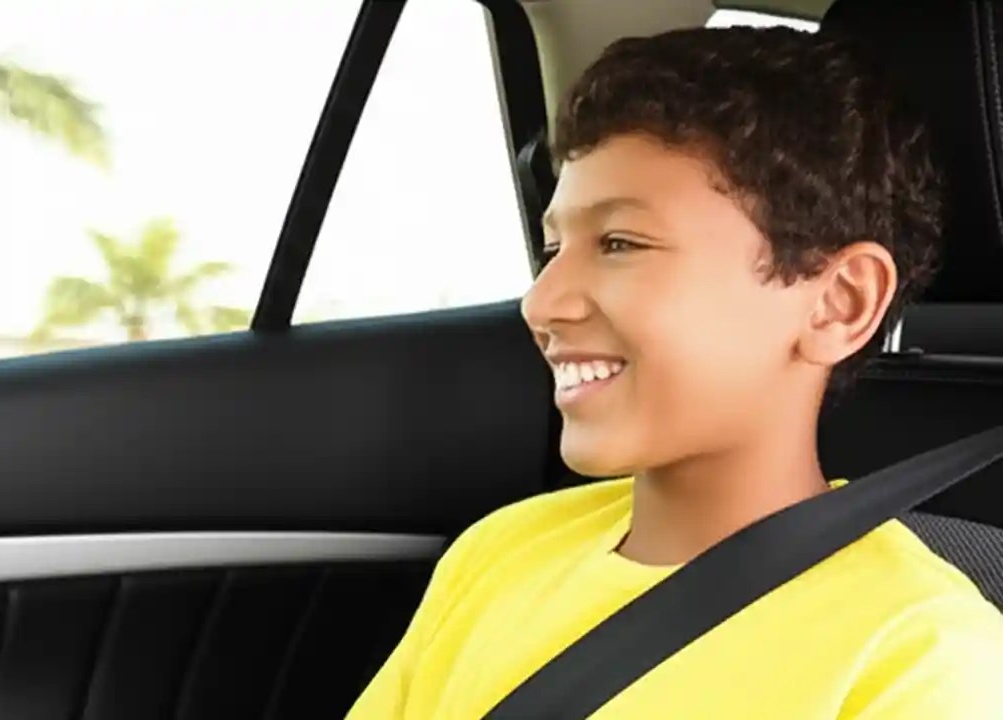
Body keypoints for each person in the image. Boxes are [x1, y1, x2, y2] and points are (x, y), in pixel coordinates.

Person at [345, 25, 1003, 719]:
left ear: (839, 303)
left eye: (620, 243)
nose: (542, 302)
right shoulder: (501, 553)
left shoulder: (922, 659)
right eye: (551, 250)